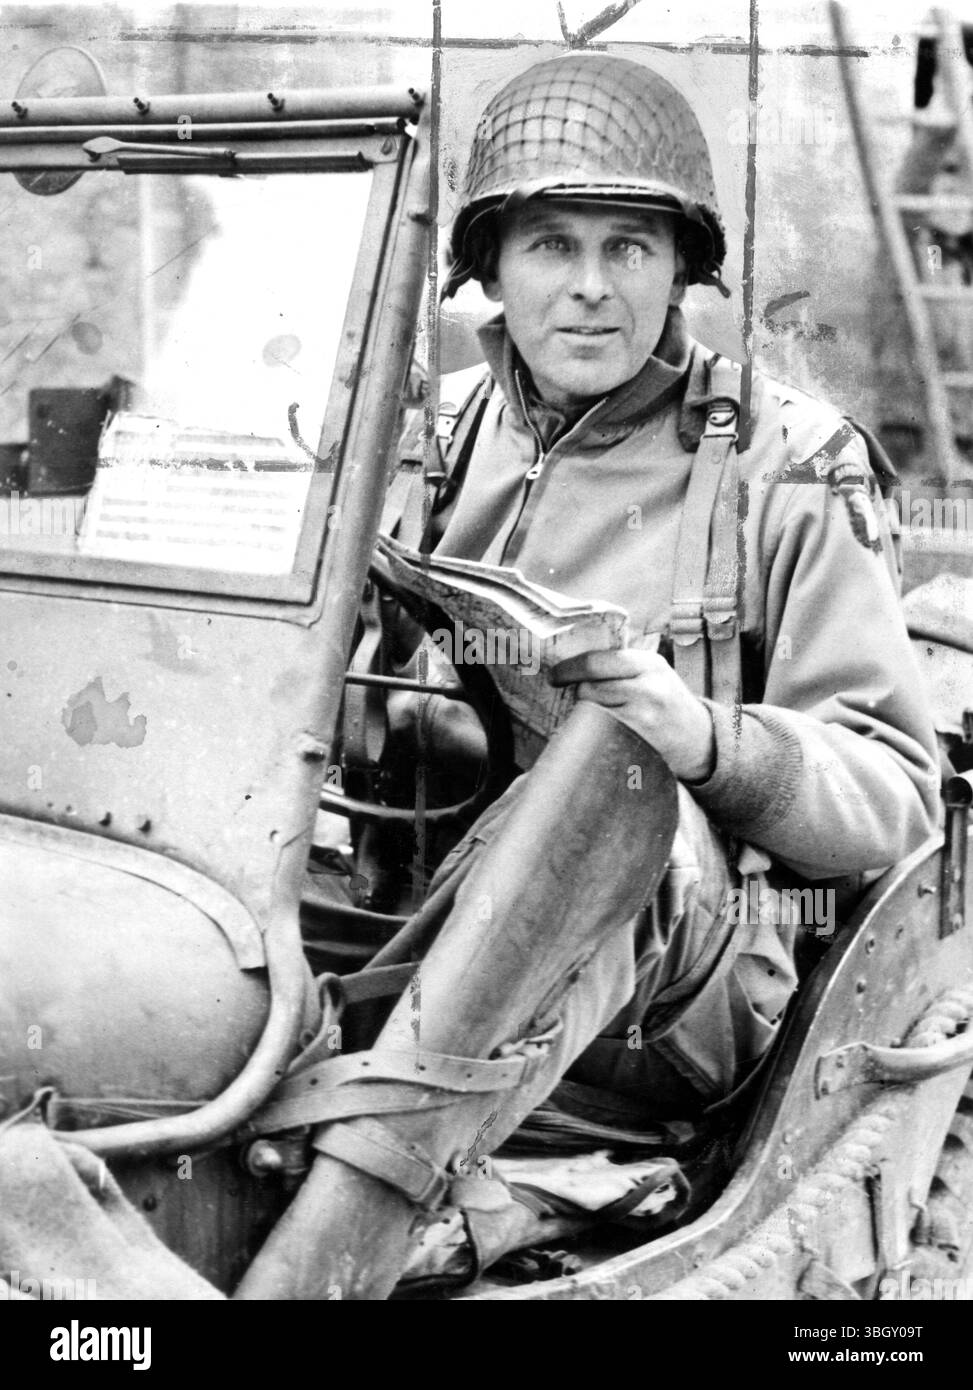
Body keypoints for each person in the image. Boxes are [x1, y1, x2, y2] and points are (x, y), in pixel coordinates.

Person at [237, 51, 942, 1299]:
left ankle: (338, 1231)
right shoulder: (426, 443)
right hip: (408, 931)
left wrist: (696, 738)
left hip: (682, 1003)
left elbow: (895, 795)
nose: (590, 289)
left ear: (682, 270)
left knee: (619, 794)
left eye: (630, 247)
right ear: (488, 272)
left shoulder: (793, 466)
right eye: (551, 245)